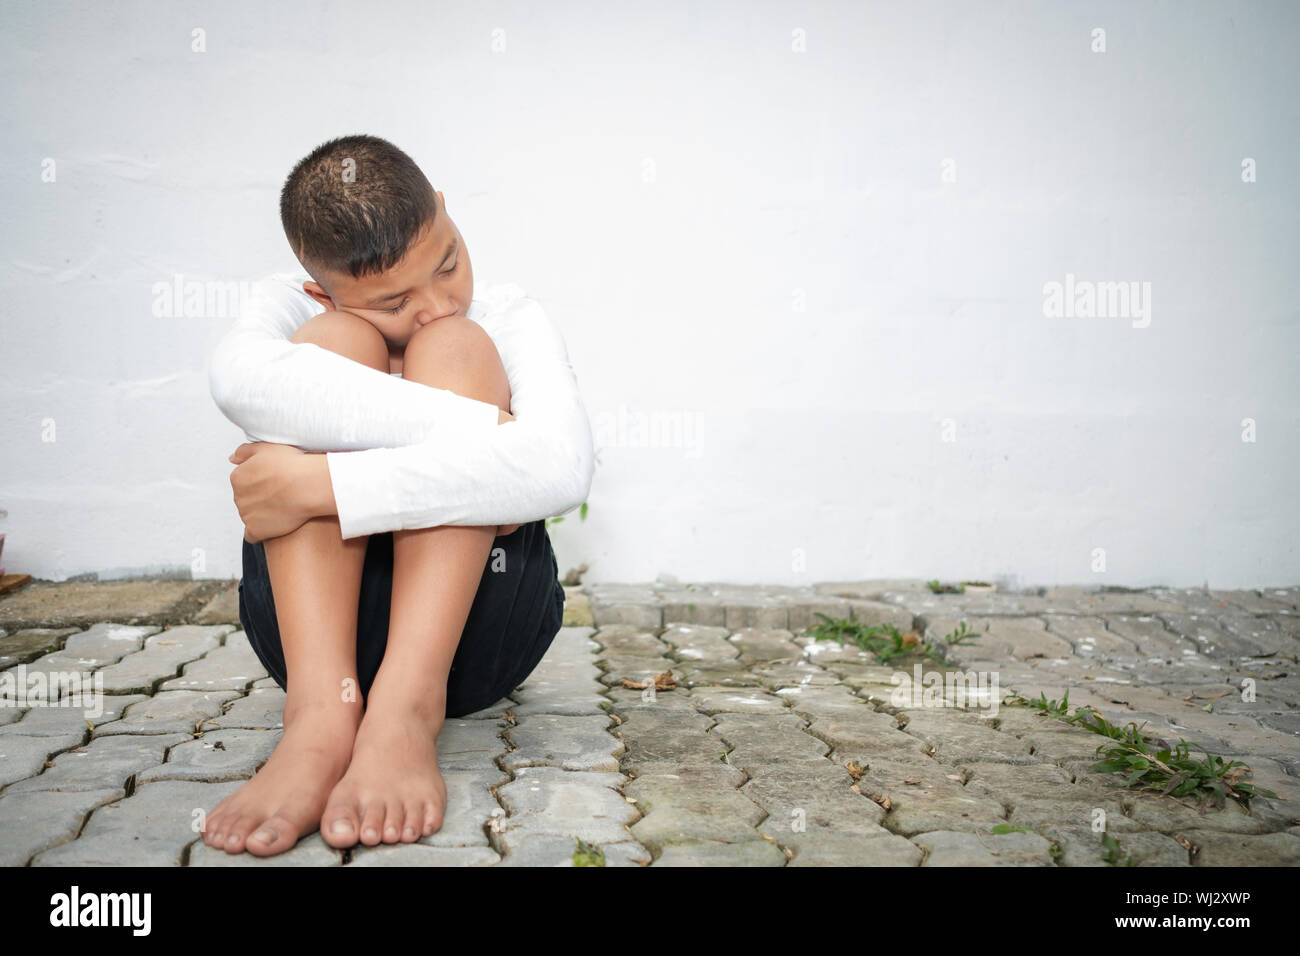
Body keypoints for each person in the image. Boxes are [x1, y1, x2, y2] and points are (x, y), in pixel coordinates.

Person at [203, 133, 594, 857]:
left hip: (475, 638)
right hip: (314, 645)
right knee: (335, 346)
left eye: (448, 263)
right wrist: (494, 442)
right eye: (395, 301)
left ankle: (406, 715)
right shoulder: (295, 310)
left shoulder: (510, 316)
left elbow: (564, 472)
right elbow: (234, 382)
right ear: (318, 285)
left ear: (445, 211)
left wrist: (314, 486)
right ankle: (319, 723)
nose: (439, 303)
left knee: (458, 349)